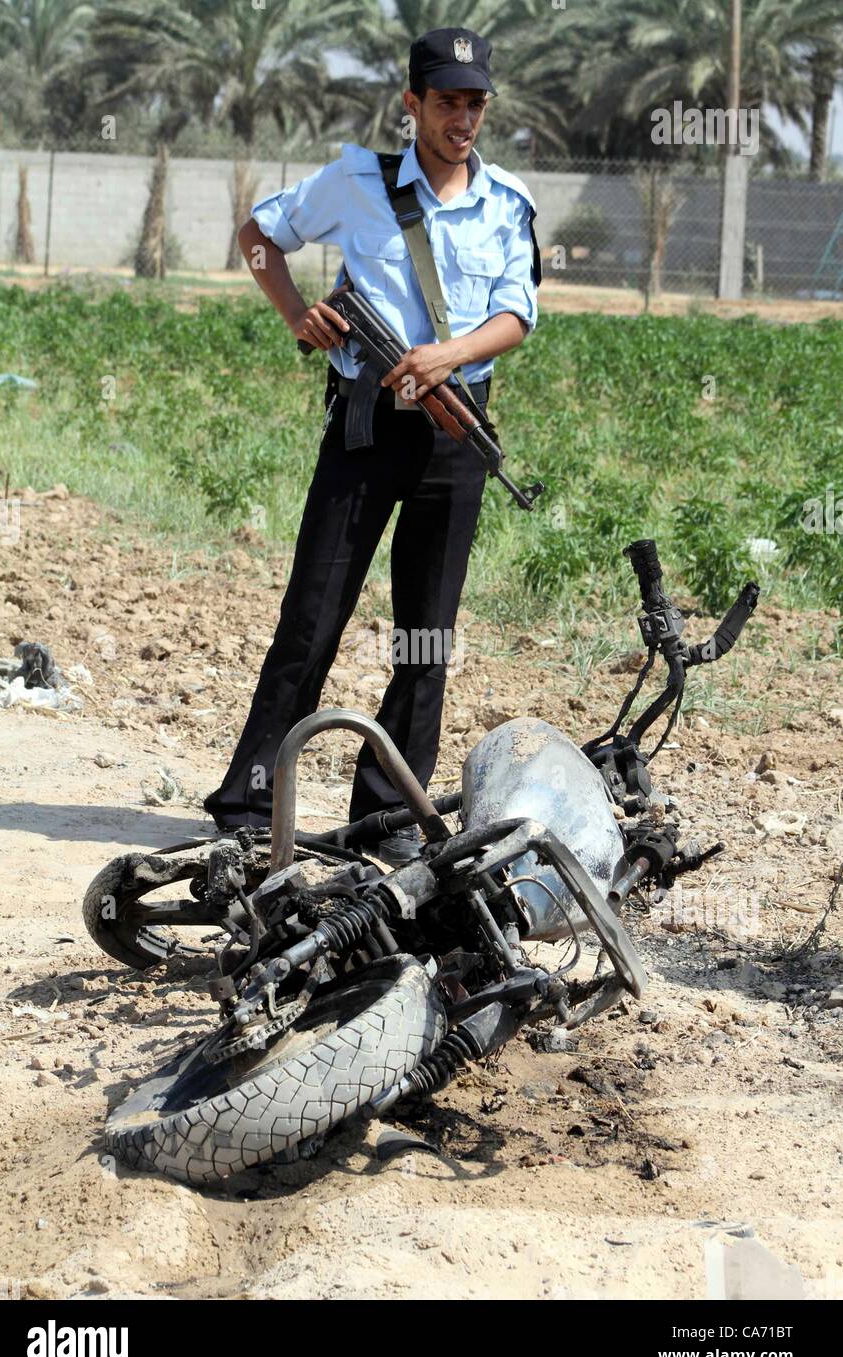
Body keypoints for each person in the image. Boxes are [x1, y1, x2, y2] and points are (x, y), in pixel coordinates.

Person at [203, 26, 541, 864]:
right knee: (312, 617)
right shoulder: (358, 180)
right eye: (447, 102)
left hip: (455, 434)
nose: (463, 119)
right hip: (364, 428)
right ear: (413, 105)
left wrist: (447, 357)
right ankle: (248, 804)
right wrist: (297, 314)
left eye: (475, 104)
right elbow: (258, 234)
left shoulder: (507, 203)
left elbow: (518, 315)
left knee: (425, 637)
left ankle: (383, 821)